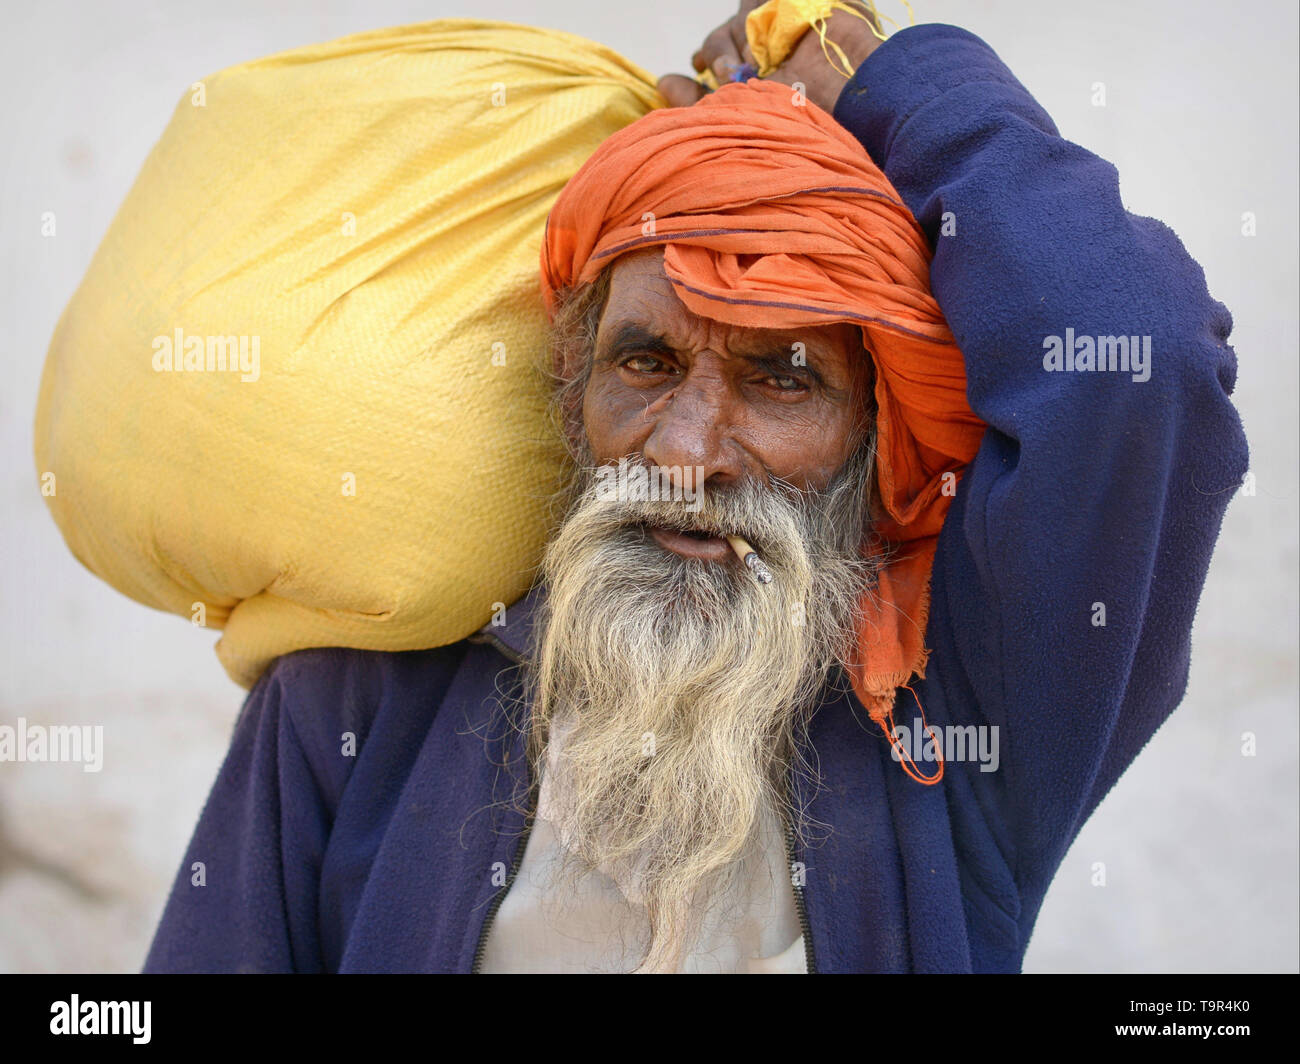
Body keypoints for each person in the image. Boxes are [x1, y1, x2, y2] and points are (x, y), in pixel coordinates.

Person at [143, 3, 1248, 973]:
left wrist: (884, 80)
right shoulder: (359, 696)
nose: (686, 449)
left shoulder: (953, 713)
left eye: (782, 377)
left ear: (873, 431)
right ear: (571, 388)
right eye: (645, 362)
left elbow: (1134, 353)